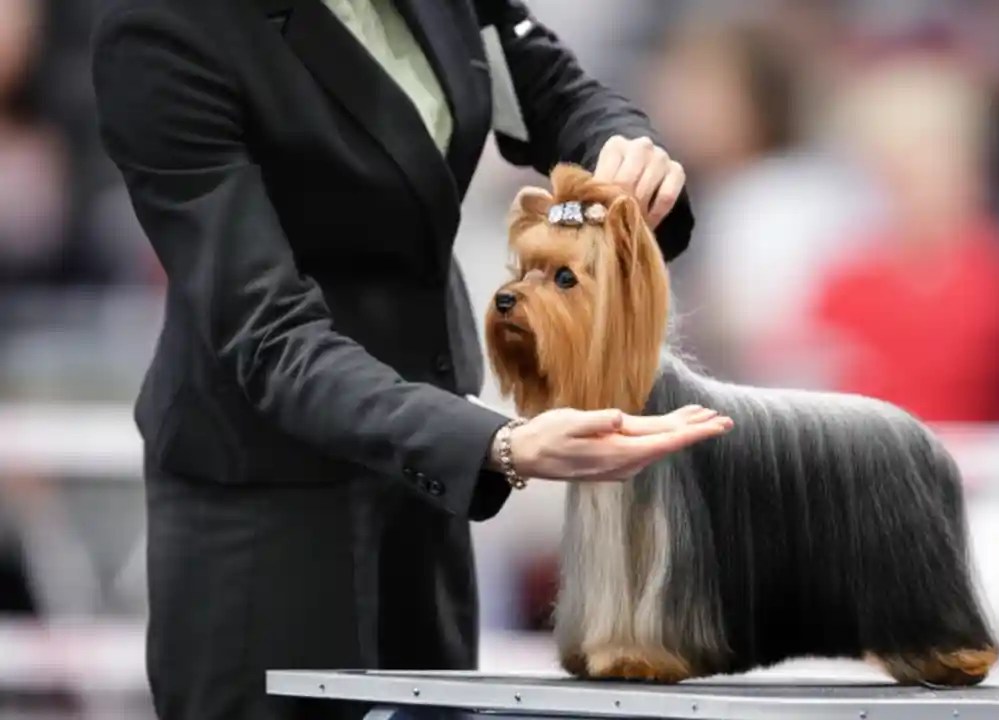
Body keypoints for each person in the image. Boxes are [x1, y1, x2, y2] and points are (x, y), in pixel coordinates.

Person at [89, 1, 730, 718]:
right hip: (266, 504)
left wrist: (627, 151)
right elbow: (269, 336)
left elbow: (549, 91)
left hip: (425, 479)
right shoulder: (165, 27)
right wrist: (495, 444)